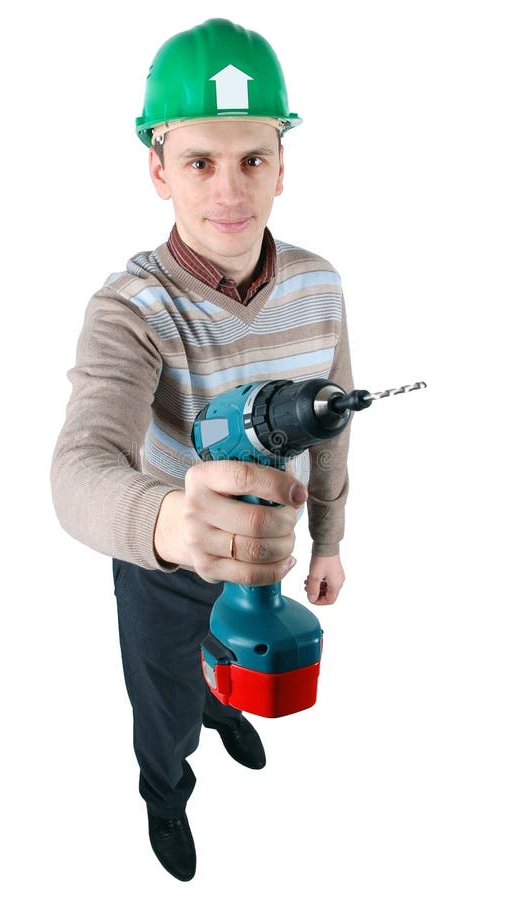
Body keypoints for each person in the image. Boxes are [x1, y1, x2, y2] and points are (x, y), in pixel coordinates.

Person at [50, 18, 354, 882]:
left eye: (253, 158)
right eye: (198, 162)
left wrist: (327, 541)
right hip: (161, 558)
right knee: (163, 700)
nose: (229, 189)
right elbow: (77, 469)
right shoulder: (130, 308)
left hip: (266, 553)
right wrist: (172, 525)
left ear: (282, 164)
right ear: (157, 168)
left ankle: (224, 712)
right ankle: (166, 788)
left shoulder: (320, 283)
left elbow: (333, 423)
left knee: (229, 665)